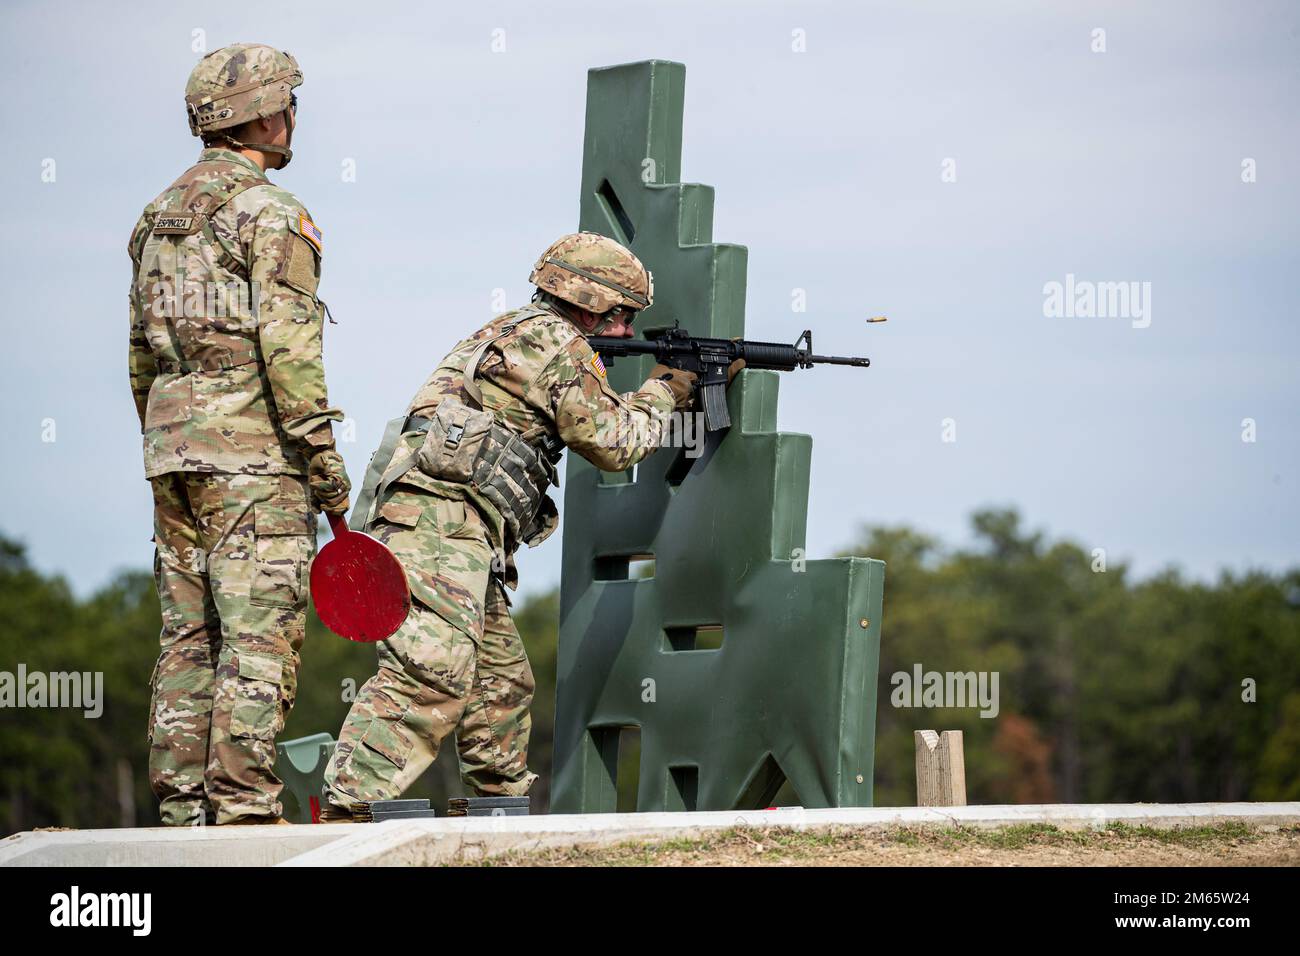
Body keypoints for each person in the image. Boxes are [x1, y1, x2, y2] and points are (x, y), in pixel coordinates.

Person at [321, 232, 737, 816]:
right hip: (442, 533)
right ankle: (345, 814)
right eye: (620, 317)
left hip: (452, 536)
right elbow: (615, 443)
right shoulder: (556, 344)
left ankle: (499, 819)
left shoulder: (516, 331)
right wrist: (667, 388)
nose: (623, 333)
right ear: (590, 302)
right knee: (430, 679)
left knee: (500, 689)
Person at [127, 42, 350, 825]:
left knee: (188, 636)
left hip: (172, 456)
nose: (293, 117)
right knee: (259, 638)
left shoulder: (156, 217)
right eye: (287, 102)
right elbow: (290, 353)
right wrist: (324, 465)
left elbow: (138, 357)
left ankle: (183, 816)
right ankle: (245, 815)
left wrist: (168, 442)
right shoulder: (274, 214)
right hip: (255, 462)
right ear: (258, 114)